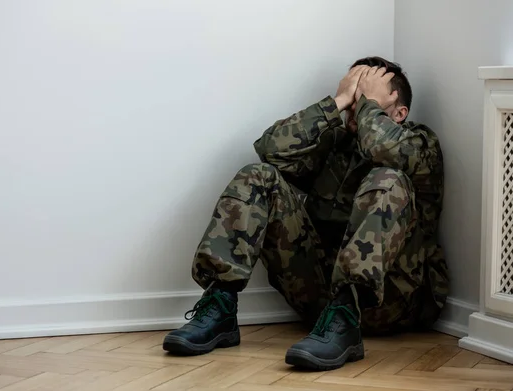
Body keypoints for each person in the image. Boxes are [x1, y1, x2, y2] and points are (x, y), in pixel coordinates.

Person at [162, 56, 449, 371]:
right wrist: (336, 102)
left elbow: (384, 149)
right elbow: (269, 148)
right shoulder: (335, 146)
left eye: (367, 97)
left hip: (394, 301)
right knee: (257, 175)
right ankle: (221, 307)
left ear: (400, 112)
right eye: (355, 96)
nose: (357, 106)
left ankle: (347, 319)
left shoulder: (420, 144)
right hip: (319, 300)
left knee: (387, 178)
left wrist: (369, 106)